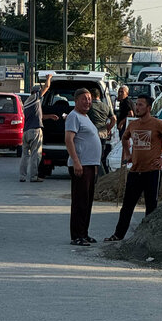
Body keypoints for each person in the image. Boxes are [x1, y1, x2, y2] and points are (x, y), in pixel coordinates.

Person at [104, 95, 162, 242]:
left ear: (149, 108)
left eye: (141, 105)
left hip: (152, 172)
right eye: (136, 104)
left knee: (151, 207)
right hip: (135, 171)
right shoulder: (133, 124)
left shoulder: (157, 124)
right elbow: (125, 138)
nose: (137, 108)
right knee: (127, 206)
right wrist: (128, 154)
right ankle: (118, 235)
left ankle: (148, 237)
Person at [65, 88, 102, 247]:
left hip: (90, 165)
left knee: (87, 201)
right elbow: (69, 140)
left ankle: (84, 233)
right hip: (81, 165)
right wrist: (76, 161)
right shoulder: (73, 116)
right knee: (80, 202)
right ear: (76, 101)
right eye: (84, 99)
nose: (87, 102)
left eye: (89, 99)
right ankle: (76, 235)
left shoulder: (85, 117)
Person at [20, 77, 52, 182]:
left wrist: (50, 116)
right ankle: (33, 176)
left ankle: (22, 176)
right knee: (35, 154)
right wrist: (49, 78)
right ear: (37, 92)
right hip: (35, 131)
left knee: (25, 155)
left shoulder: (27, 103)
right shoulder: (35, 98)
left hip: (26, 132)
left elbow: (39, 116)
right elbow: (47, 87)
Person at [88, 85, 116, 173]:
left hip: (92, 134)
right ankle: (101, 174)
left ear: (91, 95)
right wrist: (109, 128)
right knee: (100, 155)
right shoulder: (106, 106)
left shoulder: (89, 106)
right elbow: (114, 119)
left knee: (91, 156)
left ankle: (96, 174)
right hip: (103, 134)